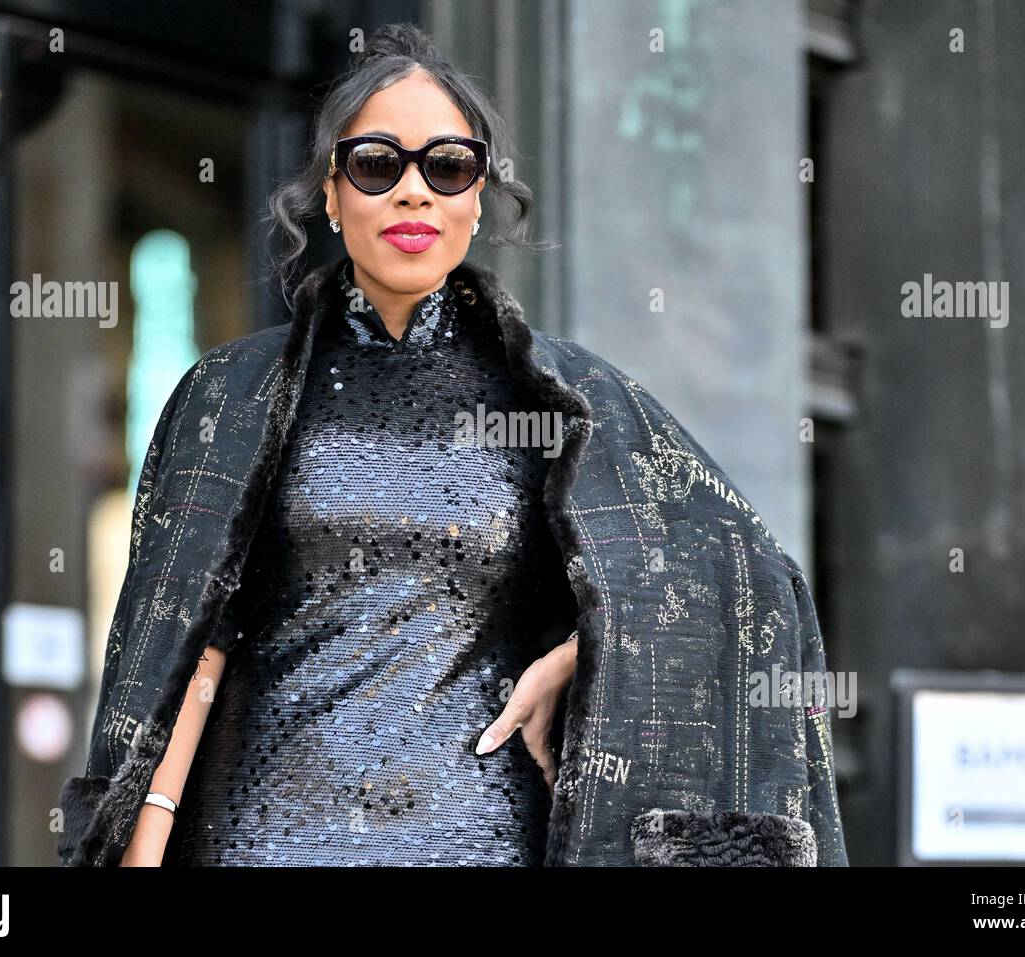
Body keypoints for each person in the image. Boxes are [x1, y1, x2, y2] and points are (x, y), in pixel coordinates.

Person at [60, 23, 849, 868]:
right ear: (332, 193)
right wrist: (141, 845)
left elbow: (746, 583)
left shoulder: (567, 399)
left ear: (478, 196)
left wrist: (593, 652)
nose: (414, 192)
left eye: (447, 166)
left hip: (486, 840)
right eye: (376, 164)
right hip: (258, 840)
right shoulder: (230, 395)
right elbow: (191, 642)